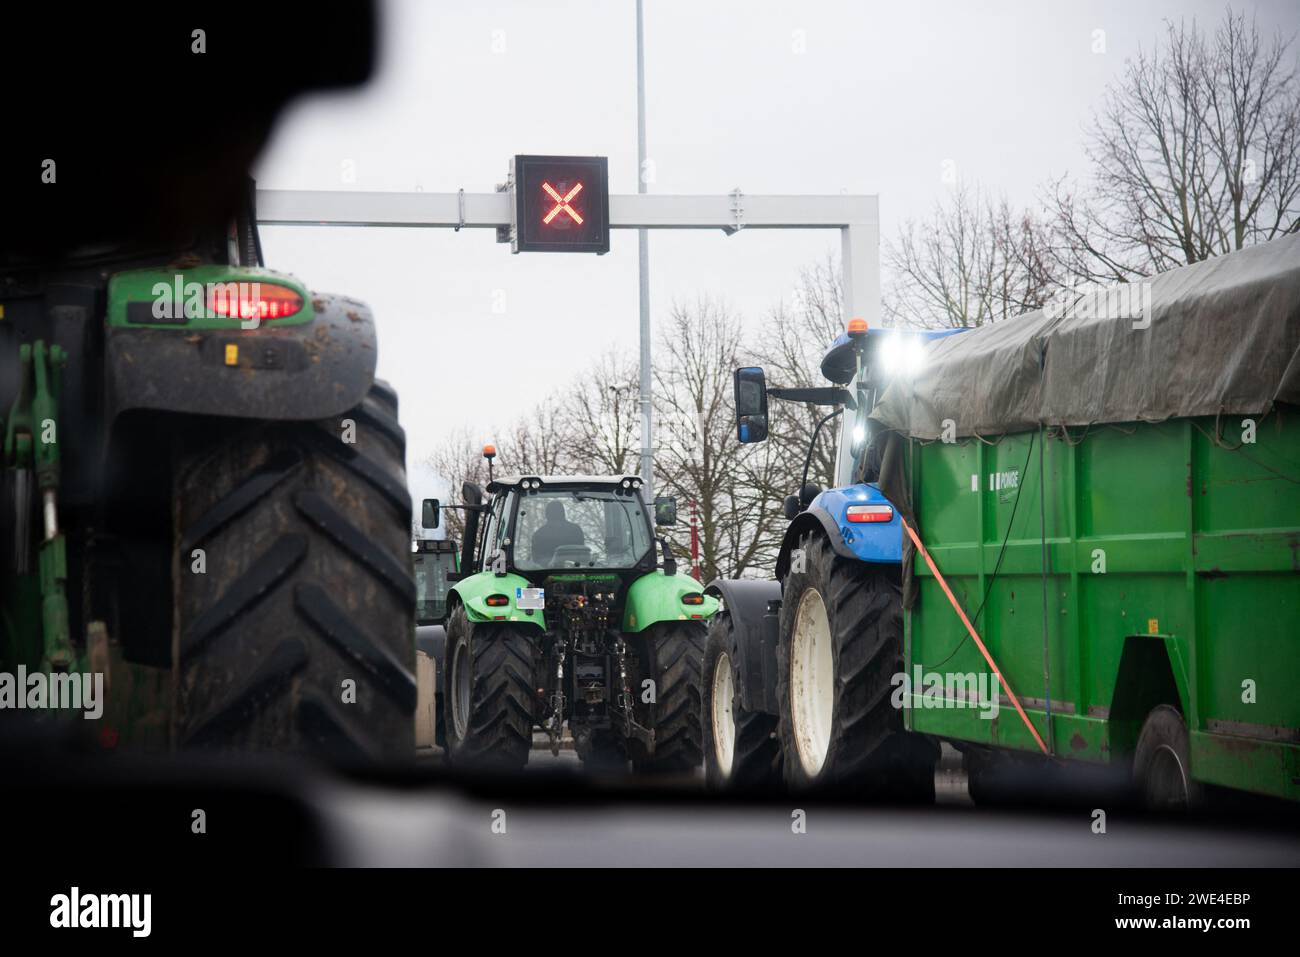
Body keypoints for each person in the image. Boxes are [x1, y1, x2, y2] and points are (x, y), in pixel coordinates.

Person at [530, 500, 585, 565]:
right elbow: (582, 554)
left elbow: (537, 561)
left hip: (546, 573)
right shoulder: (575, 530)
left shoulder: (539, 534)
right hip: (575, 571)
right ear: (563, 512)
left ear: (547, 514)